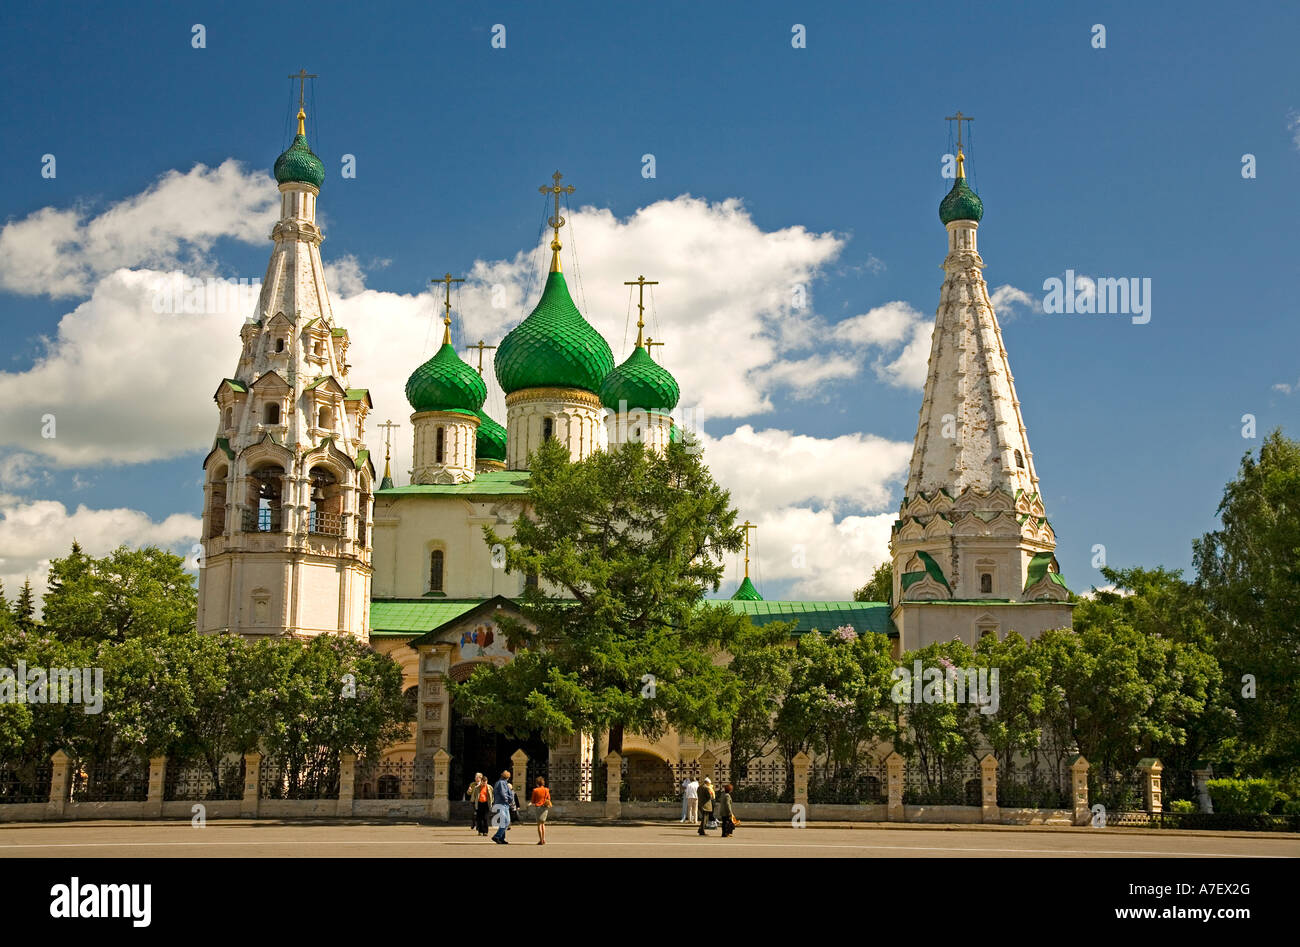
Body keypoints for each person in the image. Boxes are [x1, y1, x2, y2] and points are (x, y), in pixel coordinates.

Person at [491, 770, 516, 844]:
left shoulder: (501, 782)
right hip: (502, 804)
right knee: (506, 821)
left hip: (503, 804)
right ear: (507, 777)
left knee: (504, 822)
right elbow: (503, 793)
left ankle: (501, 838)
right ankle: (497, 836)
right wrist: (509, 800)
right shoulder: (502, 783)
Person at [529, 776, 552, 845]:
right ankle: (543, 838)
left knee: (539, 824)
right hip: (545, 807)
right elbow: (549, 798)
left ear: (537, 783)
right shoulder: (546, 790)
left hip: (538, 807)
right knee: (543, 823)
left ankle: (540, 840)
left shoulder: (535, 790)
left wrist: (531, 803)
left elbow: (533, 800)